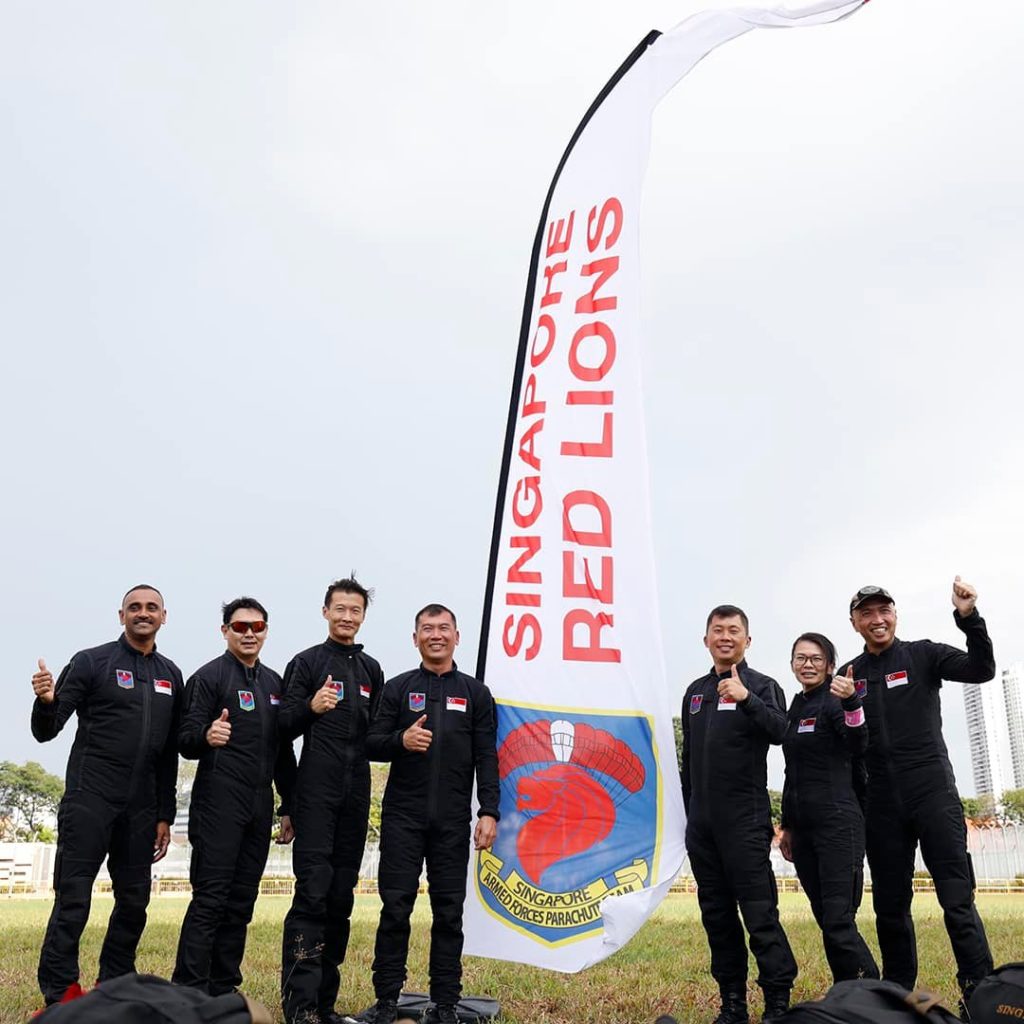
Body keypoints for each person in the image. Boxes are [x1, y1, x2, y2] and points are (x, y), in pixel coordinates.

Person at [841, 579, 995, 1016]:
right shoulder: (849, 675)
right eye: (866, 613)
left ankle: (979, 994)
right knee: (890, 905)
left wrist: (969, 617)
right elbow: (847, 747)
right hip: (881, 803)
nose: (877, 619)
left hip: (932, 792)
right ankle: (897, 999)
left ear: (895, 614)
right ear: (854, 623)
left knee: (956, 898)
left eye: (883, 610)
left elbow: (981, 668)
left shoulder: (923, 654)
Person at [29, 585, 182, 1005]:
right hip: (90, 799)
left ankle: (115, 987)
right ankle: (60, 993)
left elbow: (169, 753)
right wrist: (45, 701)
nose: (143, 613)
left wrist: (164, 814)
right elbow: (47, 730)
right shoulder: (92, 661)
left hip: (141, 808)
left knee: (134, 902)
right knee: (73, 898)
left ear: (164, 617)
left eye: (152, 607)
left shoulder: (171, 674)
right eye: (134, 607)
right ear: (121, 616)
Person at [364, 604, 500, 1024]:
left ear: (457, 637)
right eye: (427, 628)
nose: (435, 635)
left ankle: (445, 1004)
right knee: (395, 910)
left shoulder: (475, 693)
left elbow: (487, 757)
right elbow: (372, 743)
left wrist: (489, 811)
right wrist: (401, 740)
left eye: (444, 628)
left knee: (449, 913)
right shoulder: (399, 688)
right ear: (415, 638)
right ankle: (387, 1000)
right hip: (404, 817)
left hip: (452, 821)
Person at [173, 596, 296, 995]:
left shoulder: (275, 683)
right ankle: (190, 989)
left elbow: (283, 752)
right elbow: (185, 739)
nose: (249, 634)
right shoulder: (209, 678)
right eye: (240, 627)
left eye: (257, 627)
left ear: (265, 632)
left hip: (258, 806)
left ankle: (224, 988)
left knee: (242, 902)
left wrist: (288, 805)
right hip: (218, 802)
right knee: (211, 900)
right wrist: (207, 736)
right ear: (225, 630)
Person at [680, 605, 796, 1024]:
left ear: (748, 640)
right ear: (706, 638)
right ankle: (732, 1004)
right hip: (703, 826)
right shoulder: (695, 691)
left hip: (745, 822)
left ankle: (777, 1003)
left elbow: (783, 732)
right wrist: (688, 813)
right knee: (717, 915)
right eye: (717, 630)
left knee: (760, 914)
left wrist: (746, 699)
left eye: (734, 631)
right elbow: (688, 760)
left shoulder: (762, 686)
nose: (725, 637)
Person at [279, 577, 386, 1024]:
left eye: (355, 610)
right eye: (339, 608)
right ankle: (300, 1007)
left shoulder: (371, 671)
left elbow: (377, 737)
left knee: (342, 897)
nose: (347, 617)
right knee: (313, 896)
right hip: (315, 794)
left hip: (355, 794)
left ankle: (325, 1005)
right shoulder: (306, 664)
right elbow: (279, 727)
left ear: (363, 616)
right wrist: (311, 708)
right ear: (325, 611)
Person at [778, 632, 878, 983]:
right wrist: (787, 825)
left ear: (830, 666)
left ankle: (874, 991)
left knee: (838, 920)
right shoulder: (795, 707)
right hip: (803, 830)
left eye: (816, 659)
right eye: (801, 658)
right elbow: (793, 770)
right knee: (825, 918)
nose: (808, 664)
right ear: (792, 664)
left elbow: (858, 741)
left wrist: (852, 703)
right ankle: (847, 991)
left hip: (838, 824)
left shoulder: (836, 702)